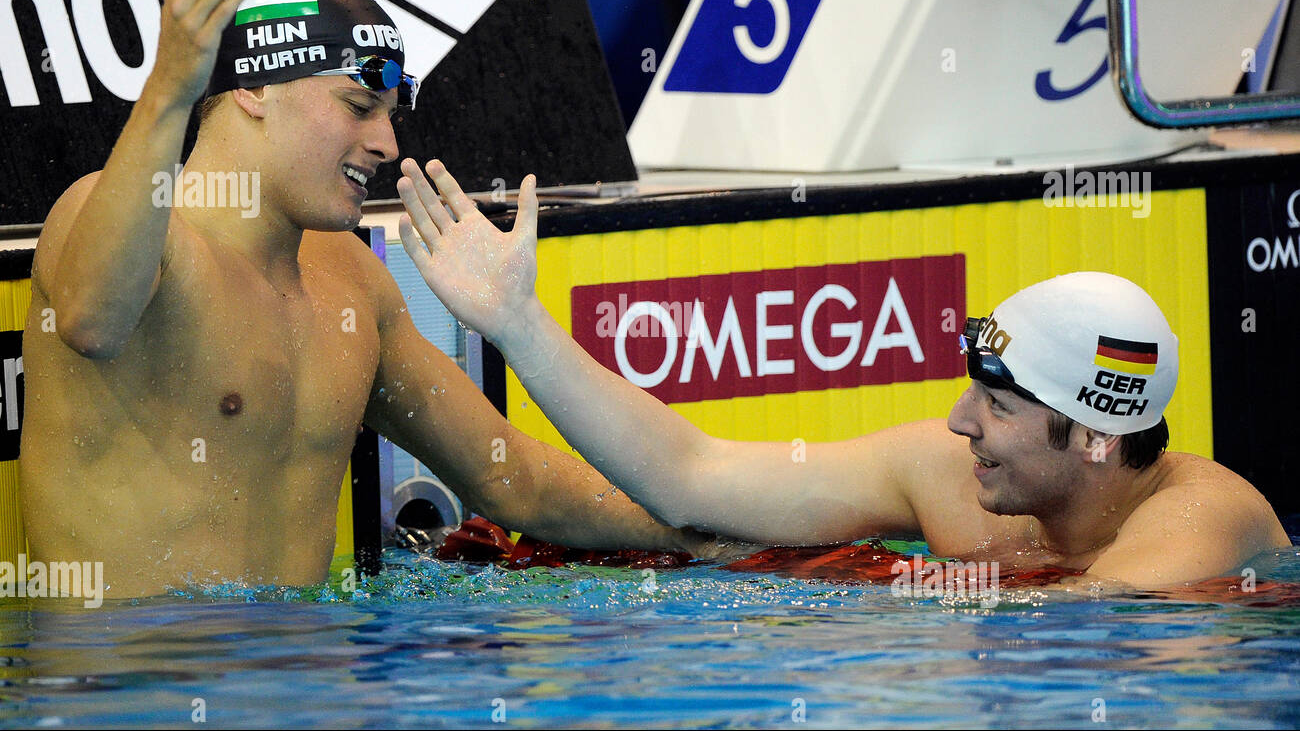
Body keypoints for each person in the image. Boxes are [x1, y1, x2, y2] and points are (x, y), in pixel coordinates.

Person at [20, 0, 714, 599]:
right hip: (138, 691)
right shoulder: (120, 225)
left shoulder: (349, 280)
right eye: (359, 106)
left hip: (315, 689)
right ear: (256, 88)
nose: (385, 141)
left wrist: (704, 533)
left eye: (390, 113)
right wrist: (169, 89)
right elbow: (92, 318)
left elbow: (510, 478)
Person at [396, 162, 1292, 590]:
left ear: (1096, 437)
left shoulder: (1201, 524)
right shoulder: (948, 480)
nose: (958, 419)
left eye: (999, 402)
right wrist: (517, 321)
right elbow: (692, 478)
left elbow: (1094, 646)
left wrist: (870, 581)